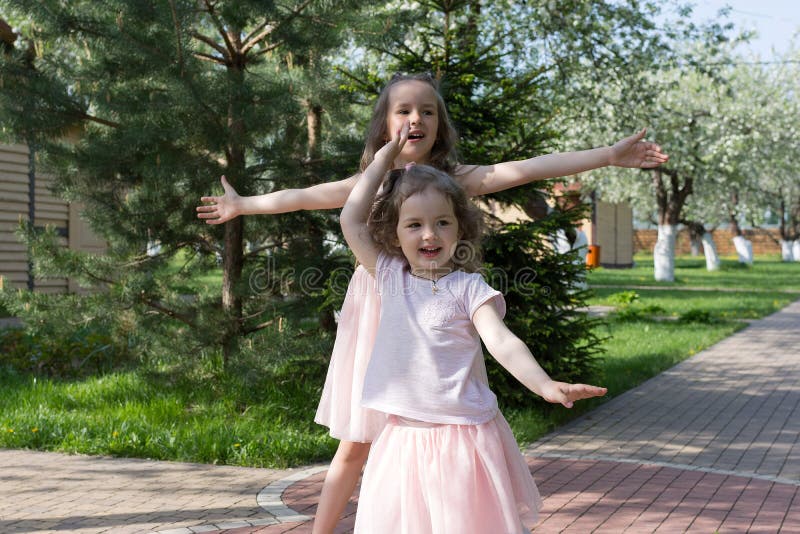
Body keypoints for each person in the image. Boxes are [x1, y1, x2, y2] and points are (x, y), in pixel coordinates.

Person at [196, 73, 668, 533]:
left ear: (438, 125)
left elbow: (529, 168)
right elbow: (303, 198)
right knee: (356, 441)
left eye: (426, 110)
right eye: (403, 110)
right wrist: (244, 205)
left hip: (443, 319)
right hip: (379, 312)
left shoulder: (455, 181)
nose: (415, 118)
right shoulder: (370, 183)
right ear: (384, 124)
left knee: (437, 426)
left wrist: (607, 155)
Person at [340, 120, 607, 533]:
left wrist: (544, 384)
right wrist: (380, 163)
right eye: (414, 225)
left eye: (442, 223)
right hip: (401, 440)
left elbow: (503, 341)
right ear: (393, 234)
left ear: (459, 228)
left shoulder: (468, 288)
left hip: (461, 441)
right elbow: (351, 220)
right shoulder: (389, 275)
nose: (430, 234)